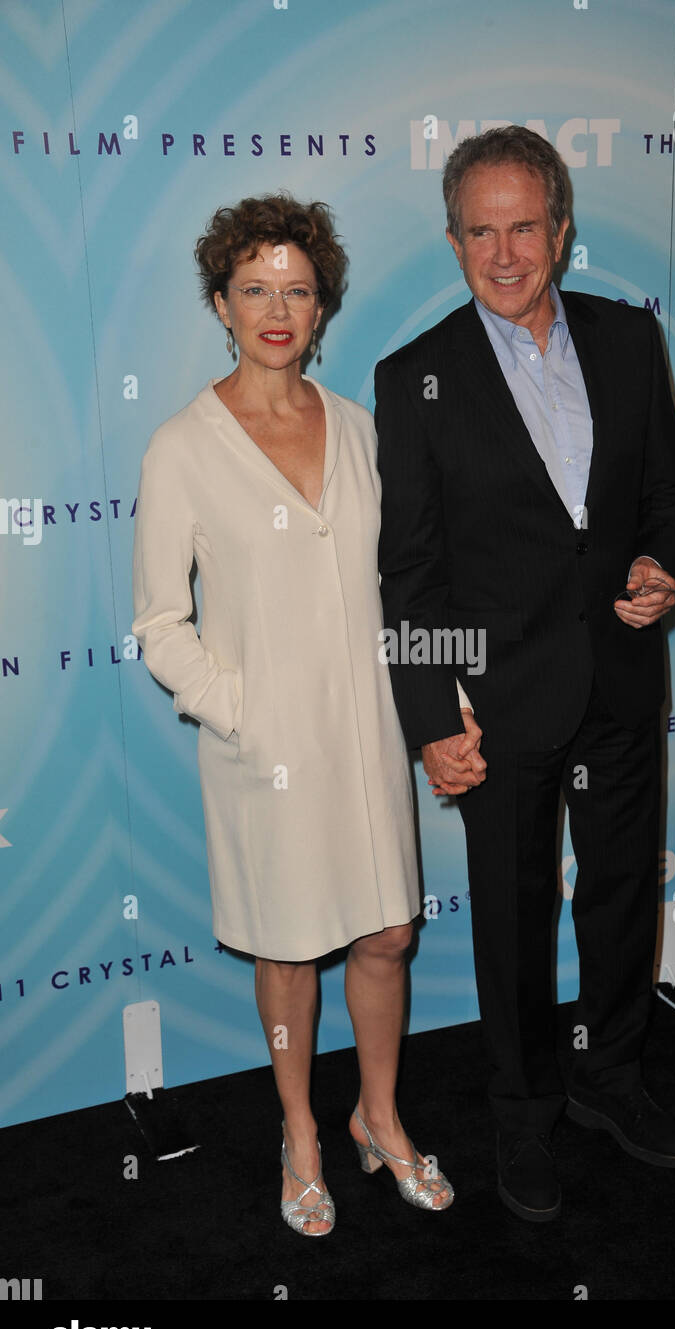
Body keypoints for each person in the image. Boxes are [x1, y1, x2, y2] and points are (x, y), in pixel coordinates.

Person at [374, 127, 675, 1222]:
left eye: (524, 225)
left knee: (619, 898)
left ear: (561, 229)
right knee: (513, 922)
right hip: (499, 705)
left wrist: (662, 563)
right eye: (481, 229)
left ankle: (612, 1077)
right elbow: (409, 572)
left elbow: (670, 494)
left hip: (616, 680)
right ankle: (523, 1115)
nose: (504, 251)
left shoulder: (626, 337)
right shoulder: (414, 377)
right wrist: (429, 717)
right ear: (455, 237)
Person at [131, 193, 453, 1236]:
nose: (278, 309)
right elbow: (158, 622)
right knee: (287, 949)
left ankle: (379, 1115)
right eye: (255, 289)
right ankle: (302, 1134)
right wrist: (241, 709)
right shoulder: (182, 445)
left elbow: (403, 585)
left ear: (323, 307)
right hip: (265, 750)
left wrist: (437, 696)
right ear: (221, 303)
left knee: (389, 934)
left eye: (299, 290)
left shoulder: (359, 428)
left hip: (367, 735)